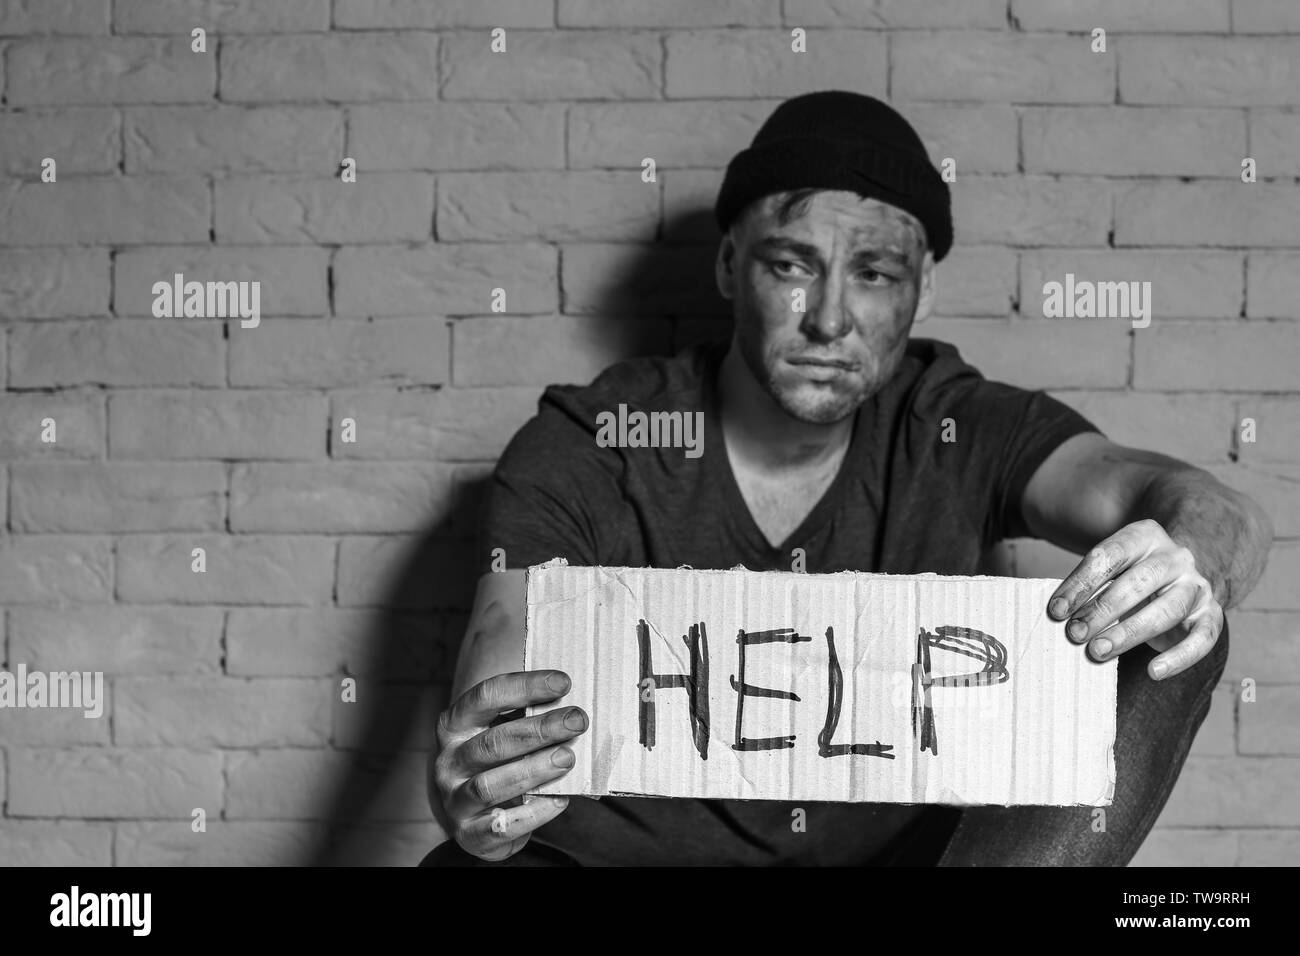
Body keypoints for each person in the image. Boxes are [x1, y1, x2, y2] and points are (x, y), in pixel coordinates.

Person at [422, 91, 1273, 866]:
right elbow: (501, 671)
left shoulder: (958, 424)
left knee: (1178, 617)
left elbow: (1196, 503)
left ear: (922, 291)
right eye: (790, 266)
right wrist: (483, 784)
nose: (828, 318)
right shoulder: (596, 439)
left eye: (873, 274)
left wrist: (1189, 560)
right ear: (729, 265)